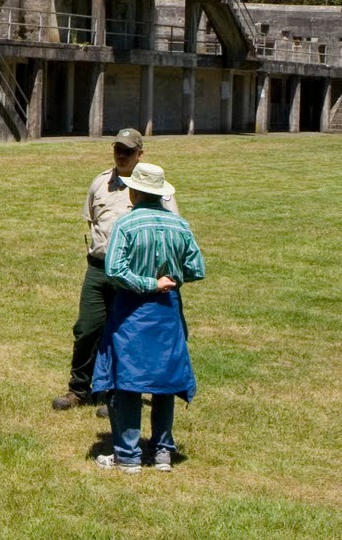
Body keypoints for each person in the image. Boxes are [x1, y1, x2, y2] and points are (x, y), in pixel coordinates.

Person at [53, 127, 179, 412]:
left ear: (140, 154)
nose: (121, 156)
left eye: (128, 151)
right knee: (87, 329)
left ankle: (116, 395)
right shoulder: (99, 183)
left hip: (133, 275)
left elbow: (171, 231)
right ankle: (78, 390)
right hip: (98, 270)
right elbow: (92, 223)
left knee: (124, 333)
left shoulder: (155, 189)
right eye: (117, 150)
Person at [92, 162, 205, 473]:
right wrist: (170, 279)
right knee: (163, 381)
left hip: (132, 311)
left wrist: (147, 283)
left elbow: (114, 269)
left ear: (135, 191)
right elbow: (197, 269)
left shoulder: (126, 226)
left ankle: (128, 456)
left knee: (127, 381)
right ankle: (162, 453)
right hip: (167, 310)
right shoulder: (180, 226)